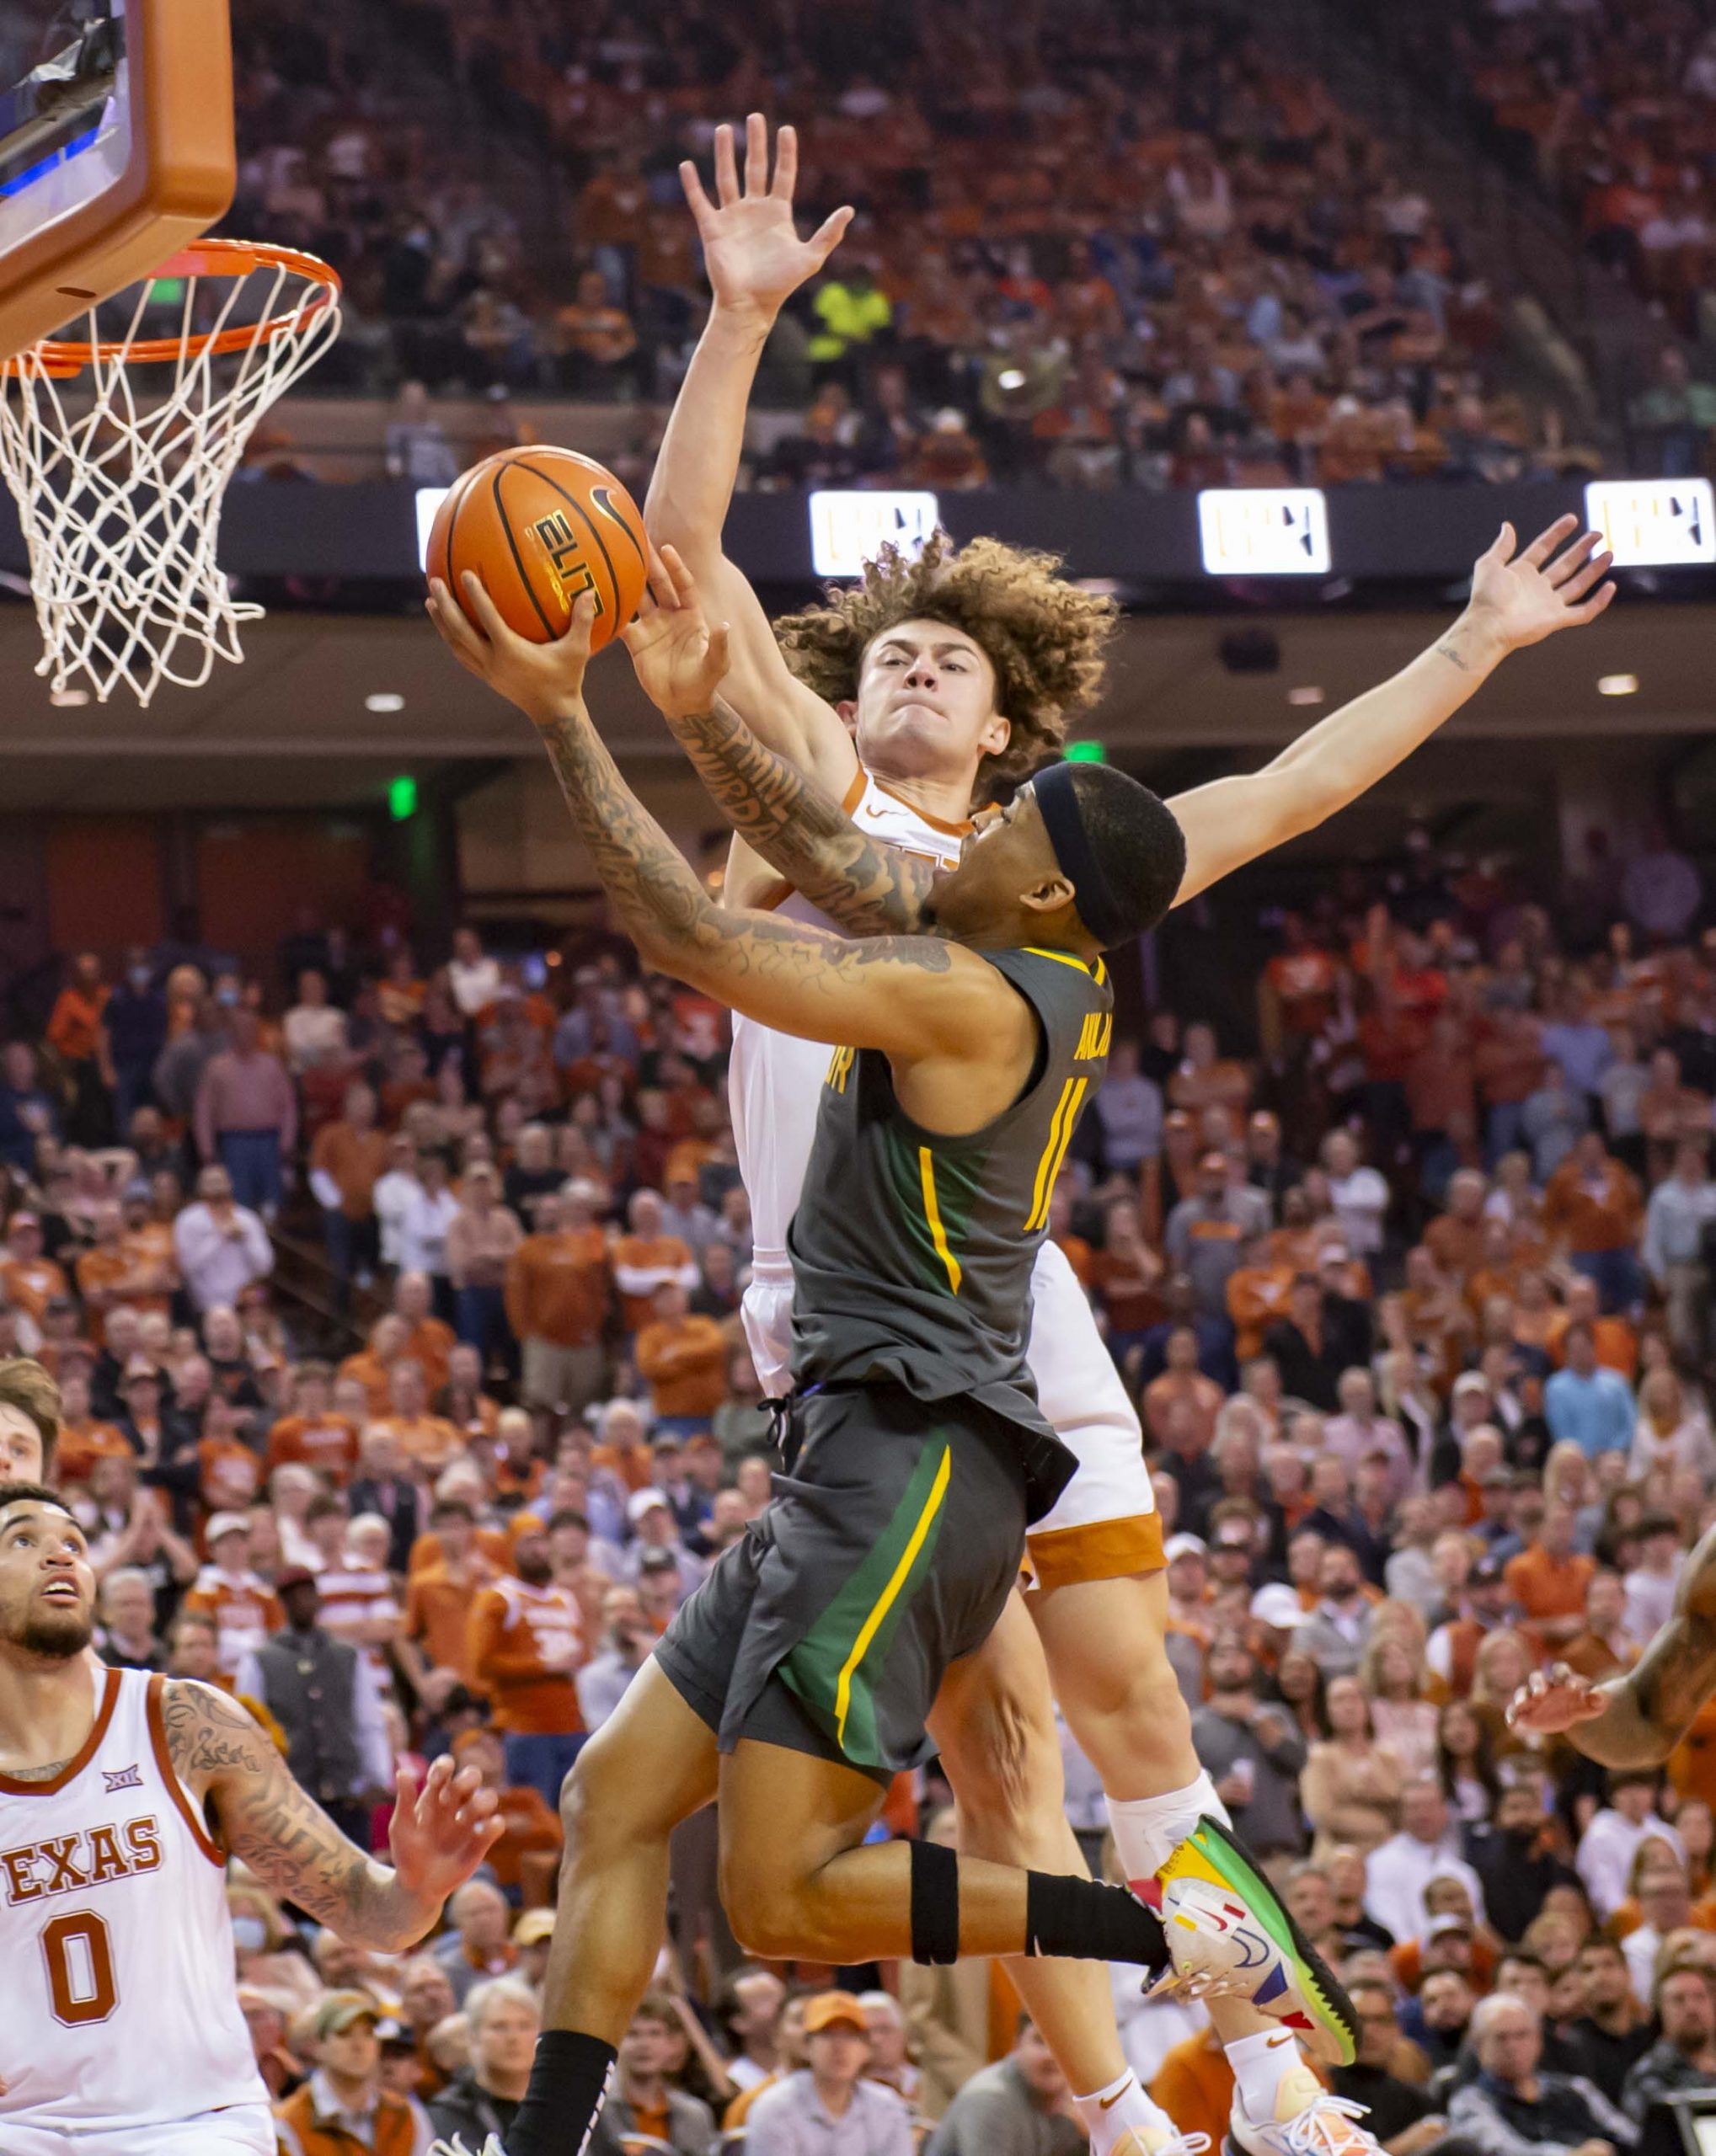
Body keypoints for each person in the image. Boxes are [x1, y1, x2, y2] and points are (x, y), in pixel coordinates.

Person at [425, 507, 1333, 2156]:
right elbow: (750, 721)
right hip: (852, 1415)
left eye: (1011, 805)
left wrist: (564, 713)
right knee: (612, 1798)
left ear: (1035, 863)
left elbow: (694, 929)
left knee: (802, 1879)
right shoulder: (940, 897)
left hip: (929, 1420)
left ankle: (1198, 1971)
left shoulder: (974, 980)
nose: (974, 820)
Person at [0, 1474, 502, 2156]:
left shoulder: (182, 1722)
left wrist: (419, 1887)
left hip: (194, 2126)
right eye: (23, 1540)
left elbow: (377, 1919)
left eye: (76, 1543)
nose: (61, 1556)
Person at [234, 1564, 393, 1846]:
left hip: (348, 1794)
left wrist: (377, 1778)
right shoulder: (259, 1660)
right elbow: (248, 1731)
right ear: (282, 1604)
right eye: (292, 1596)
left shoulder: (348, 1656)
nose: (301, 1602)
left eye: (307, 1593)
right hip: (291, 1798)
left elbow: (368, 1721)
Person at [1446, 1992, 1638, 2154]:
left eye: (1522, 2035)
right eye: (1500, 2038)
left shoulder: (1577, 2089)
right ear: (1479, 2046)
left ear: (1538, 2040)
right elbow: (1503, 2150)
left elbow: (1630, 2136)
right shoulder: (1470, 2103)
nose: (1512, 2046)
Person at [744, 1988, 915, 2154]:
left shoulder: (887, 2107)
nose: (839, 2047)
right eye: (827, 2034)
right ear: (806, 2046)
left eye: (850, 2035)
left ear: (866, 2049)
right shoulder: (774, 2107)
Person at [275, 1990, 436, 2156]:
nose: (358, 2045)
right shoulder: (289, 2123)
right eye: (344, 2034)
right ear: (318, 2046)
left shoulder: (407, 2116)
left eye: (368, 2034)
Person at [925, 2017, 1084, 2156]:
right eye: (1040, 2040)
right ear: (1016, 2046)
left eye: (1062, 2042)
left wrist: (1091, 2135)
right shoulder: (989, 2100)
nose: (1051, 2055)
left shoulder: (1069, 2100)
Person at [428, 1977, 542, 2147]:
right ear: (473, 2035)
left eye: (525, 2026)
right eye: (499, 2026)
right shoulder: (449, 2110)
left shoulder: (560, 2102)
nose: (513, 2037)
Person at [1621, 1961, 1716, 2121]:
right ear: (1660, 2012)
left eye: (1700, 1997)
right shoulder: (1649, 2075)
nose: (1692, 2008)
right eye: (1679, 2000)